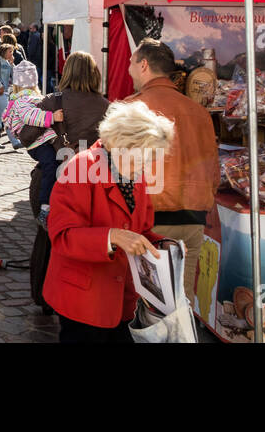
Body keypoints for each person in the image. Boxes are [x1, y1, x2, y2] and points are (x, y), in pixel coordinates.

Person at [43, 100, 172, 343]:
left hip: (120, 300)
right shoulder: (81, 167)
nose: (143, 167)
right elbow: (62, 236)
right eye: (139, 159)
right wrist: (111, 237)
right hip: (82, 300)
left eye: (148, 161)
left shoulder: (134, 174)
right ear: (119, 145)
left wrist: (162, 244)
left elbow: (141, 228)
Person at [126, 38, 219, 306]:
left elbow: (117, 171)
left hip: (150, 220)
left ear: (143, 65)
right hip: (192, 220)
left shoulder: (133, 108)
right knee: (182, 301)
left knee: (145, 304)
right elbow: (214, 170)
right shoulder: (200, 112)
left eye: (132, 63)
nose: (128, 69)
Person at [27, 51, 110, 215]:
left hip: (56, 178)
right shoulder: (106, 106)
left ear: (67, 72)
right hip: (93, 181)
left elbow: (27, 136)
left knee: (48, 236)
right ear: (95, 73)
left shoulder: (53, 100)